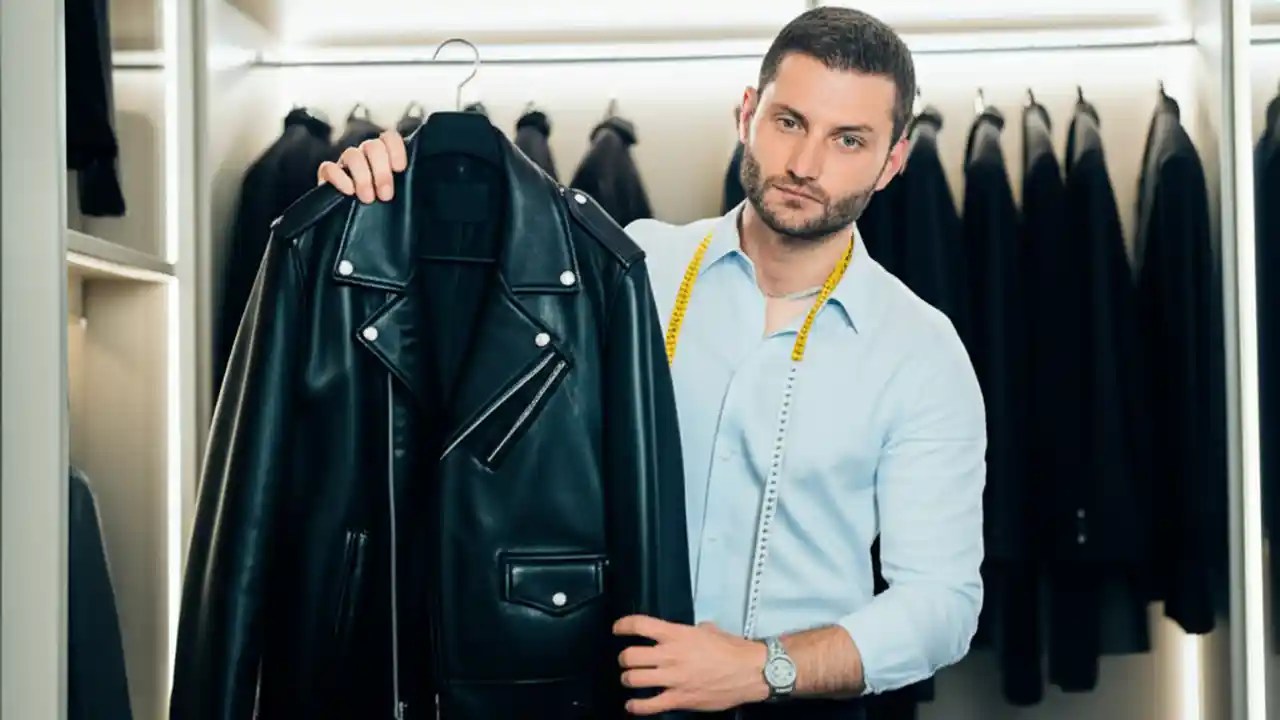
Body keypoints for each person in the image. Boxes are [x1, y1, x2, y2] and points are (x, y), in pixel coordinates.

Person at [314, 7, 986, 719]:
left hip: (804, 702)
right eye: (789, 122)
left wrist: (763, 668)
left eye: (848, 140)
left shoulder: (921, 349)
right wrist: (388, 194)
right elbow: (459, 348)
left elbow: (942, 604)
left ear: (893, 162)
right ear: (747, 113)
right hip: (600, 694)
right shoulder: (630, 265)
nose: (806, 164)